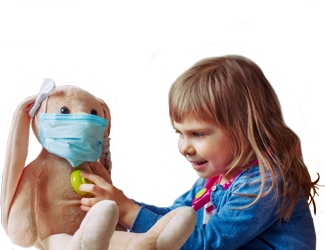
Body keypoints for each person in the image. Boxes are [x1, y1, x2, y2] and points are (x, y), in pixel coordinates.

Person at [79, 53, 318, 249]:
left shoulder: (264, 184)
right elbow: (174, 218)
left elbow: (205, 244)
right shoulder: (215, 180)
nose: (184, 147)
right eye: (179, 134)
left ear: (244, 130)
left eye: (198, 134)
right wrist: (118, 204)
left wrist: (128, 211)